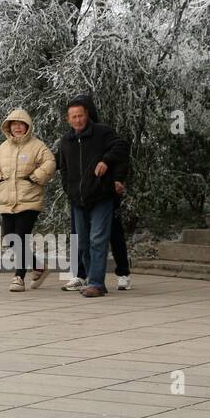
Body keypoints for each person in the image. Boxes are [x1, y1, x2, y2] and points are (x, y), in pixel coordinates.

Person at [54, 94, 129, 298]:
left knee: (98, 238)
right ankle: (90, 279)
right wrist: (69, 190)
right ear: (68, 119)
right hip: (78, 199)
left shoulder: (102, 133)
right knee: (83, 242)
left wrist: (106, 160)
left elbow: (121, 146)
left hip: (101, 196)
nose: (77, 120)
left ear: (87, 115)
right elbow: (63, 167)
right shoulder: (66, 141)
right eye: (73, 117)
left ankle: (97, 283)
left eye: (80, 115)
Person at [0, 108, 56, 292]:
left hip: (29, 199)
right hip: (7, 201)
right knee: (10, 239)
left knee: (20, 237)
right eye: (13, 124)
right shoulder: (3, 148)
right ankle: (38, 266)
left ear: (27, 126)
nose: (17, 127)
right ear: (8, 127)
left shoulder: (37, 146)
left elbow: (50, 162)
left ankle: (19, 276)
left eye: (20, 124)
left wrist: (36, 176)